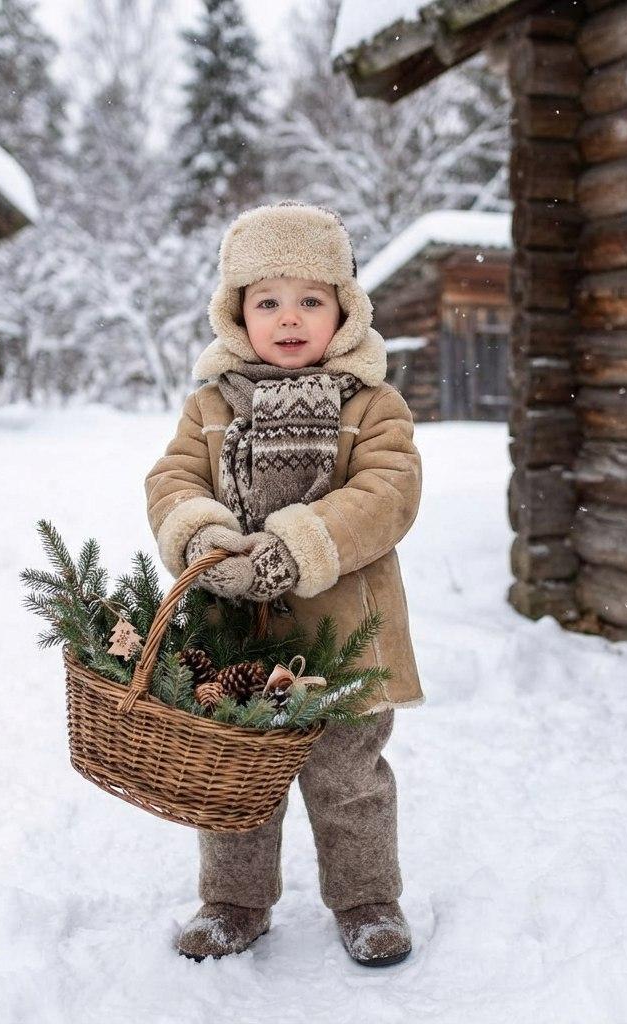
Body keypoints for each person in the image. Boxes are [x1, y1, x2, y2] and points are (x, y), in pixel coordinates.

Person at [143, 200, 424, 967]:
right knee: (237, 782)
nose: (289, 317)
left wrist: (292, 551)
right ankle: (233, 903)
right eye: (267, 300)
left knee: (349, 781)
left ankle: (368, 901)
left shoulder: (372, 405)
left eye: (311, 299)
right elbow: (172, 480)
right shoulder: (212, 404)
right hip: (240, 638)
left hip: (345, 636)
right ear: (237, 313)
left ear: (345, 309)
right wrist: (203, 532)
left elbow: (386, 494)